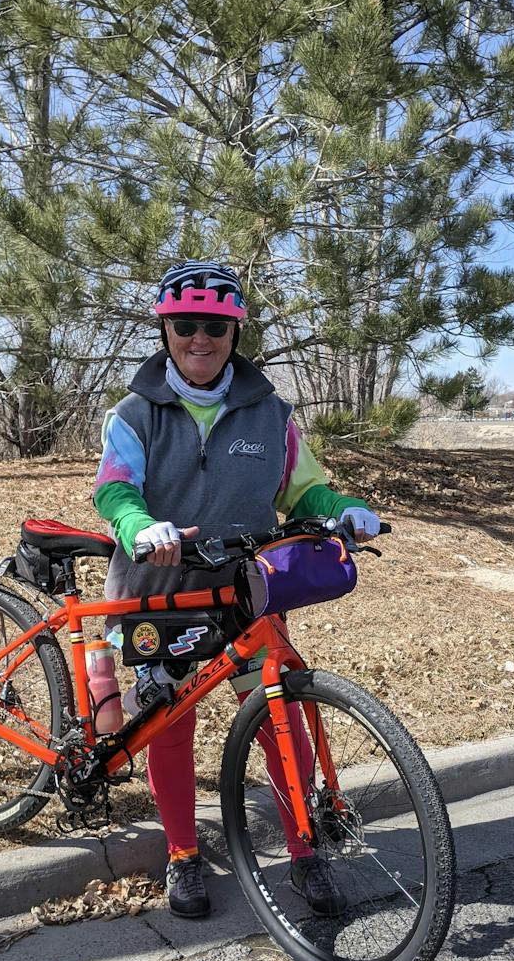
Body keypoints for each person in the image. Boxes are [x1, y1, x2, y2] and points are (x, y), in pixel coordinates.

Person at [93, 260, 381, 918]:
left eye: (216, 326)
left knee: (280, 722)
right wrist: (138, 525)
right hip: (156, 590)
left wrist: (343, 508)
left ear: (235, 331)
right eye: (186, 325)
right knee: (170, 723)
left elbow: (305, 487)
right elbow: (114, 488)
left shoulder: (269, 414)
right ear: (165, 330)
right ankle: (183, 854)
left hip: (242, 592)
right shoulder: (134, 413)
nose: (201, 338)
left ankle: (305, 852)